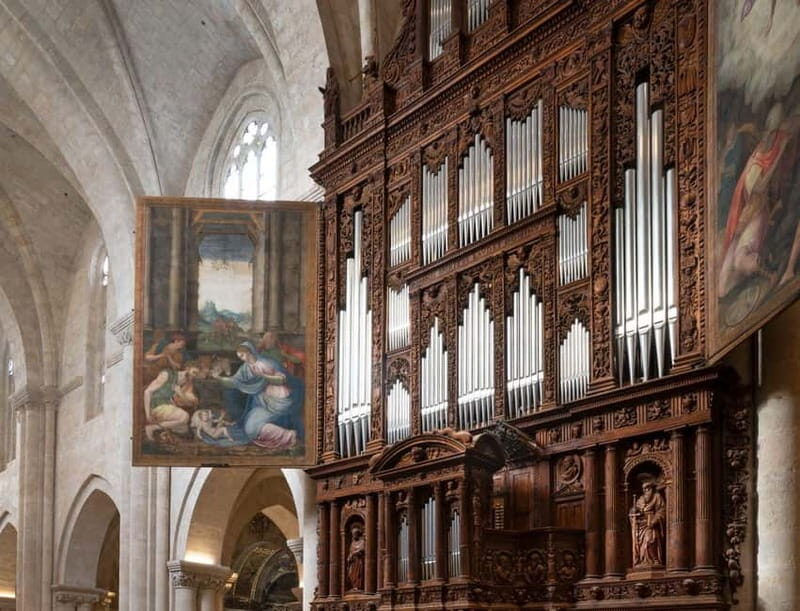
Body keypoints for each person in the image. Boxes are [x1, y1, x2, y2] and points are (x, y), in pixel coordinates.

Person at [212, 341, 301, 450]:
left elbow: (282, 379)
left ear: (249, 352)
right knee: (250, 428)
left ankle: (288, 436)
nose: (241, 359)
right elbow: (234, 382)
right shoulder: (246, 368)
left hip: (278, 399)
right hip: (261, 402)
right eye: (239, 357)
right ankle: (286, 435)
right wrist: (218, 378)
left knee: (252, 428)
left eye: (242, 355)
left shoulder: (266, 363)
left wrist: (264, 377)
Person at [143, 365, 199, 441]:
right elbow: (147, 392)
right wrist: (148, 415)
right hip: (157, 406)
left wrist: (180, 395)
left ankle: (164, 434)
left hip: (165, 407)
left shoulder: (178, 383)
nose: (194, 376)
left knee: (184, 428)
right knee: (184, 416)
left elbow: (173, 400)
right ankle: (151, 428)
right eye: (194, 372)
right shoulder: (167, 374)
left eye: (196, 375)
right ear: (187, 369)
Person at [629, 479, 666, 567]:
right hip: (640, 524)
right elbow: (634, 510)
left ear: (652, 488)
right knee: (640, 544)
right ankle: (643, 560)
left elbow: (662, 510)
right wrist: (633, 511)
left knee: (650, 540)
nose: (646, 490)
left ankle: (655, 560)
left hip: (651, 523)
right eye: (644, 488)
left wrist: (655, 520)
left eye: (648, 488)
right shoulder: (640, 499)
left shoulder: (657, 497)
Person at [346, 523, 365, 591]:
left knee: (358, 574)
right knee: (351, 574)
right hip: (353, 562)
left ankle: (358, 586)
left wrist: (354, 553)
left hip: (359, 561)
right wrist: (349, 557)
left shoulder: (362, 541)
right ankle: (353, 586)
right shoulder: (352, 543)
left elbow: (363, 549)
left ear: (358, 534)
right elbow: (350, 551)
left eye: (355, 534)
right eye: (353, 534)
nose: (353, 536)